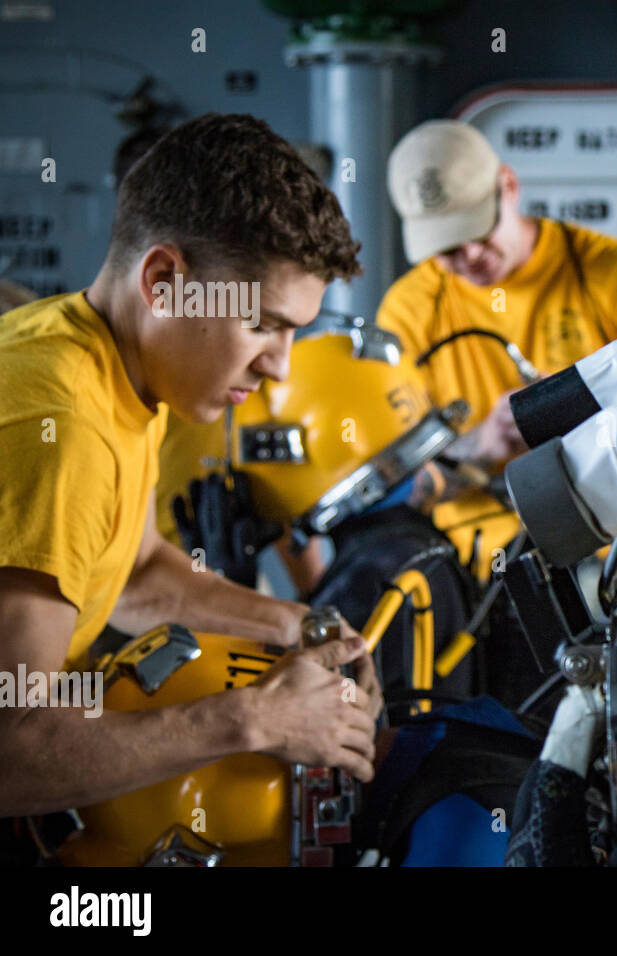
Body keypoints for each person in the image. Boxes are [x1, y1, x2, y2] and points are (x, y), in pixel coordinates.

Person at [0, 113, 384, 818]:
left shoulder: (100, 357)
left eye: (295, 331)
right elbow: (9, 751)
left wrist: (302, 625)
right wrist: (257, 720)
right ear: (165, 279)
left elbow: (136, 572)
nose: (279, 365)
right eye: (262, 324)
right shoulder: (64, 429)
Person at [377, 120, 617, 576]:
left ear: (508, 186)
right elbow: (398, 479)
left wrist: (584, 417)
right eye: (446, 249)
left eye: (480, 231)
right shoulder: (408, 311)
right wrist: (483, 446)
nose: (470, 257)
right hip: (479, 564)